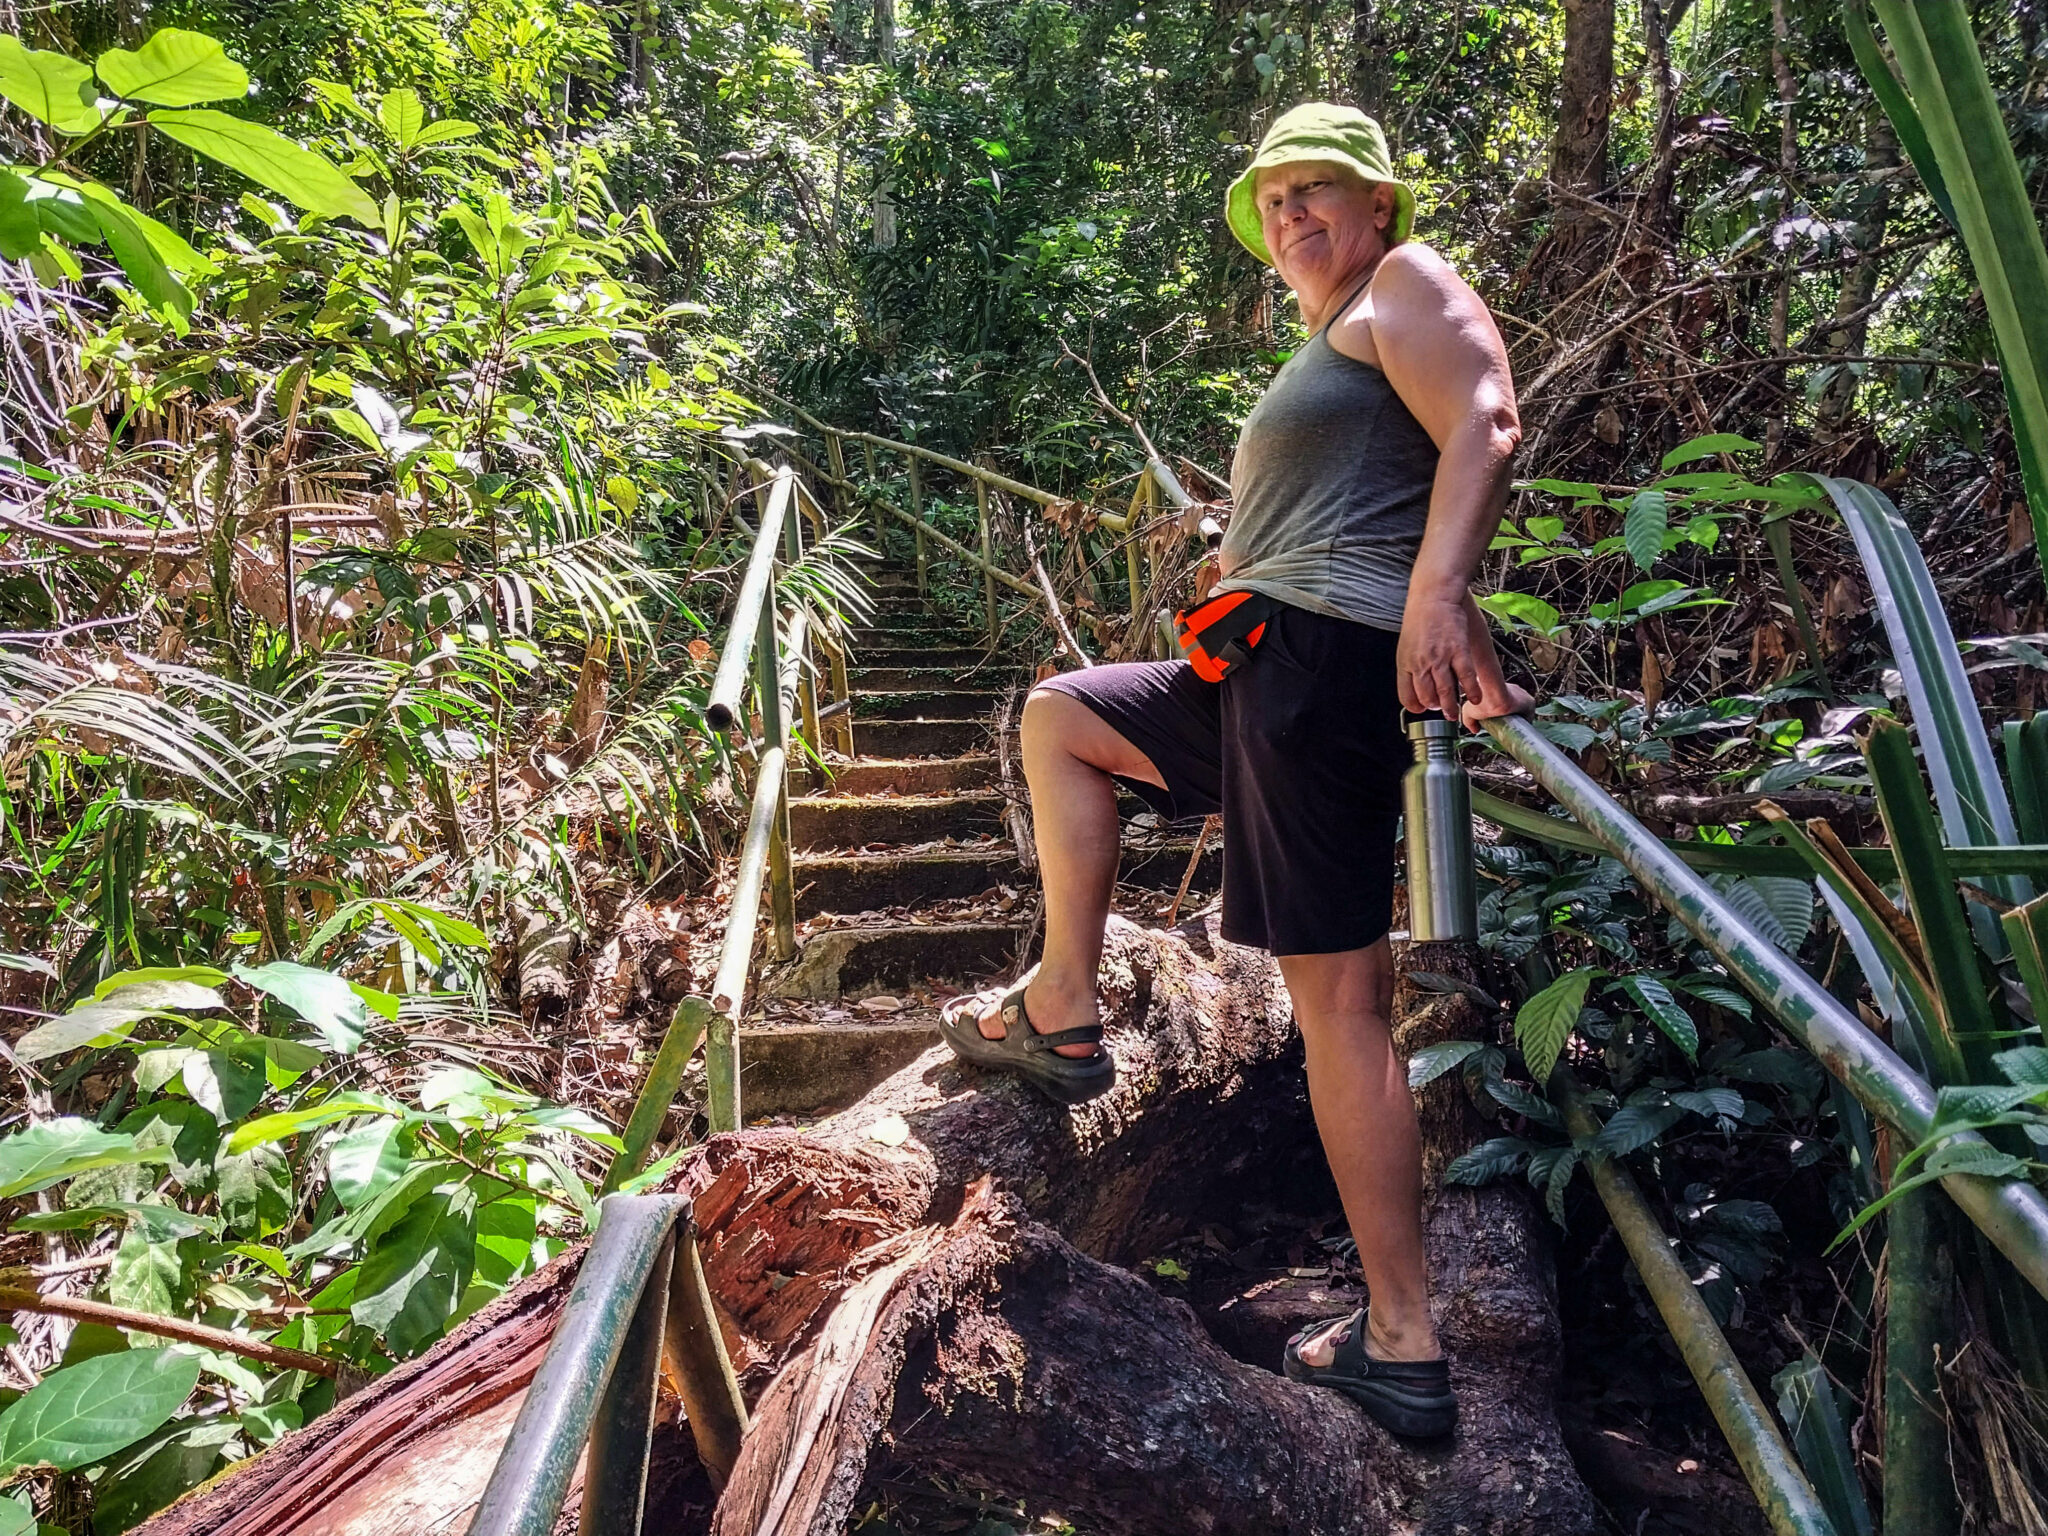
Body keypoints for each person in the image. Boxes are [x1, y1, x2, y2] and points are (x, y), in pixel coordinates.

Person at [937, 102, 1531, 1439]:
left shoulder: (1405, 281)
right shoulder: (1333, 333)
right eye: (1274, 198)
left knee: (1340, 1003)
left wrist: (1440, 597)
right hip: (1264, 669)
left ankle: (1402, 1337)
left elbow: (1486, 422)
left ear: (1379, 204)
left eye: (1318, 188)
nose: (1292, 213)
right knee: (1063, 716)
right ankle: (1065, 1005)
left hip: (1324, 670)